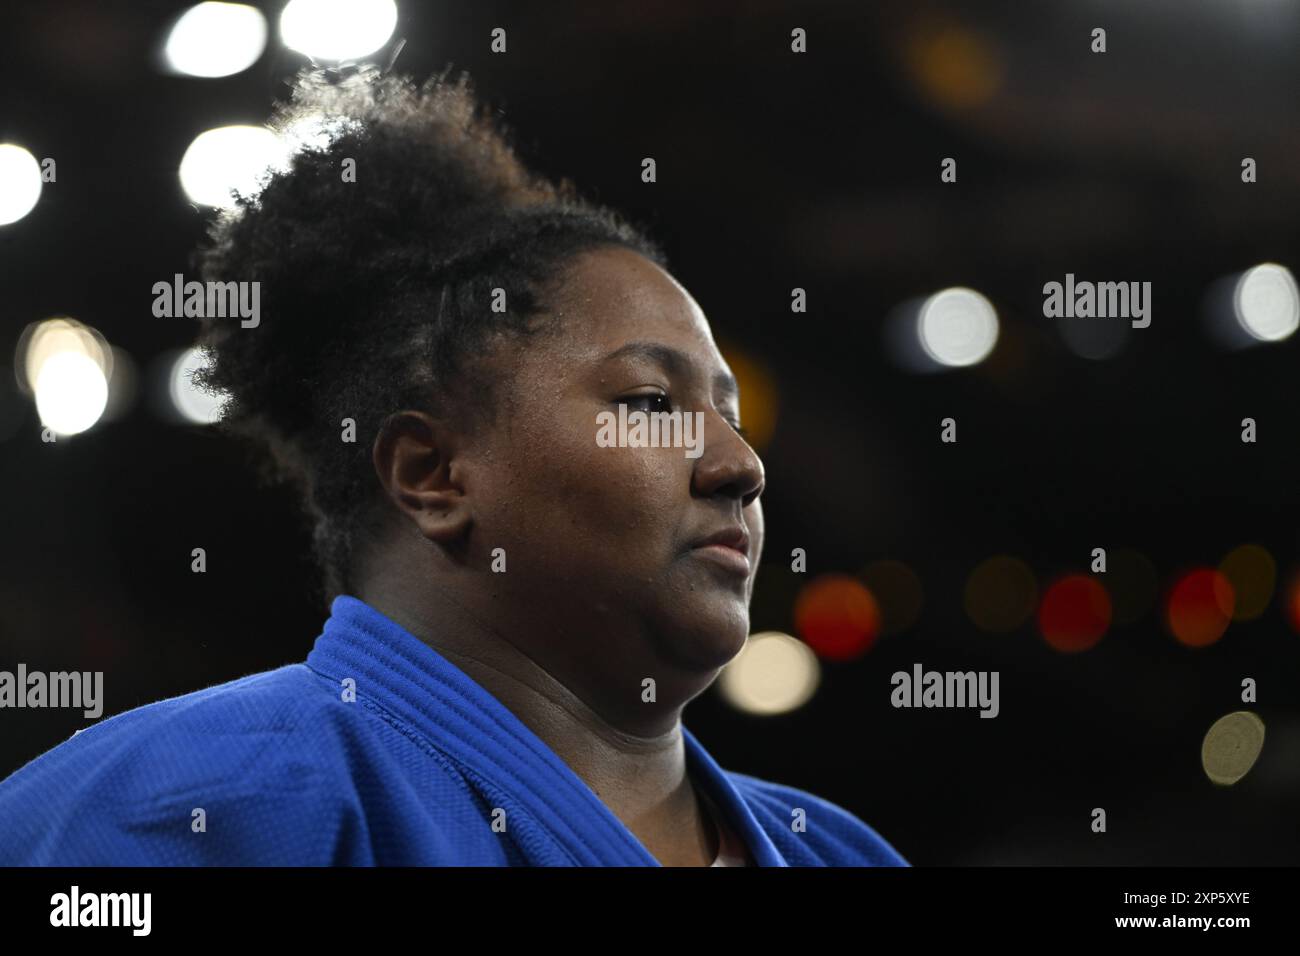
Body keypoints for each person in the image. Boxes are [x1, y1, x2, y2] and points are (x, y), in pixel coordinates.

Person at [0, 68, 906, 867]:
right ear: (433, 475)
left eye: (731, 414)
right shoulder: (187, 811)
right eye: (648, 404)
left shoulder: (839, 849)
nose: (740, 465)